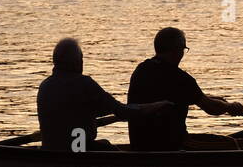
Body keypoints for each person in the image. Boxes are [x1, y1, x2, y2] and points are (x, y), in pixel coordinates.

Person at [36, 37, 168, 151]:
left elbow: (84, 109)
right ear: (77, 62)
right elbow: (120, 110)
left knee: (104, 144)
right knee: (107, 148)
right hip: (78, 150)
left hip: (50, 149)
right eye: (82, 59)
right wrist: (152, 107)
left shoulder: (45, 86)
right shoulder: (84, 84)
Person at [127, 27, 243, 151]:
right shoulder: (180, 78)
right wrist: (230, 106)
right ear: (177, 49)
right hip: (170, 147)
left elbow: (193, 98)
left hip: (139, 146)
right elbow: (211, 108)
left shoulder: (142, 69)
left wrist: (214, 100)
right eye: (183, 49)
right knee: (229, 146)